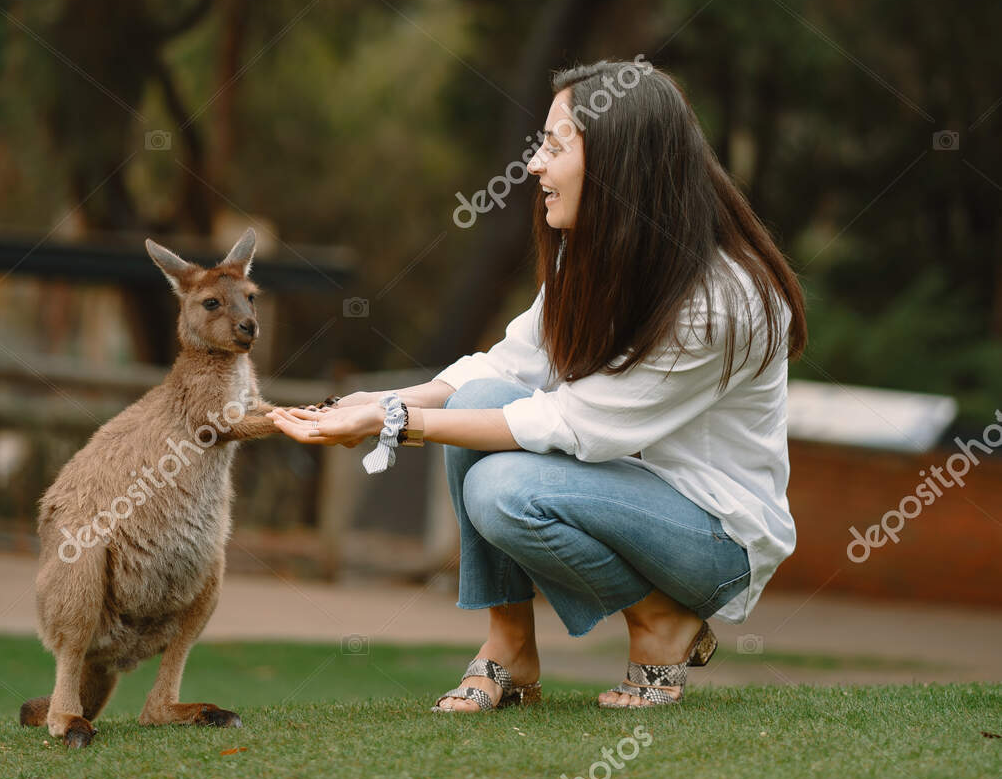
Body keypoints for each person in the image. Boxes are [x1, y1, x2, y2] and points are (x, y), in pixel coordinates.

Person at [269, 58, 806, 714]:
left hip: (717, 537)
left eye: (554, 146)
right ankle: (509, 648)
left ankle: (661, 621)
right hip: (629, 498)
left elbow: (577, 426)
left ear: (617, 160)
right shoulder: (599, 256)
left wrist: (390, 422)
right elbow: (506, 371)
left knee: (504, 491)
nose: (532, 167)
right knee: (476, 404)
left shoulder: (723, 299)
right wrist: (382, 404)